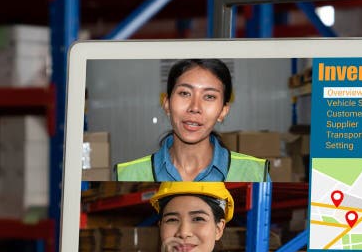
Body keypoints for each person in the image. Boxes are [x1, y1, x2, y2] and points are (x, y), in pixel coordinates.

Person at [115, 59, 269, 182]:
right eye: (185, 93)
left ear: (222, 111)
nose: (195, 107)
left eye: (209, 96)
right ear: (167, 104)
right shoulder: (127, 174)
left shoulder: (255, 173)